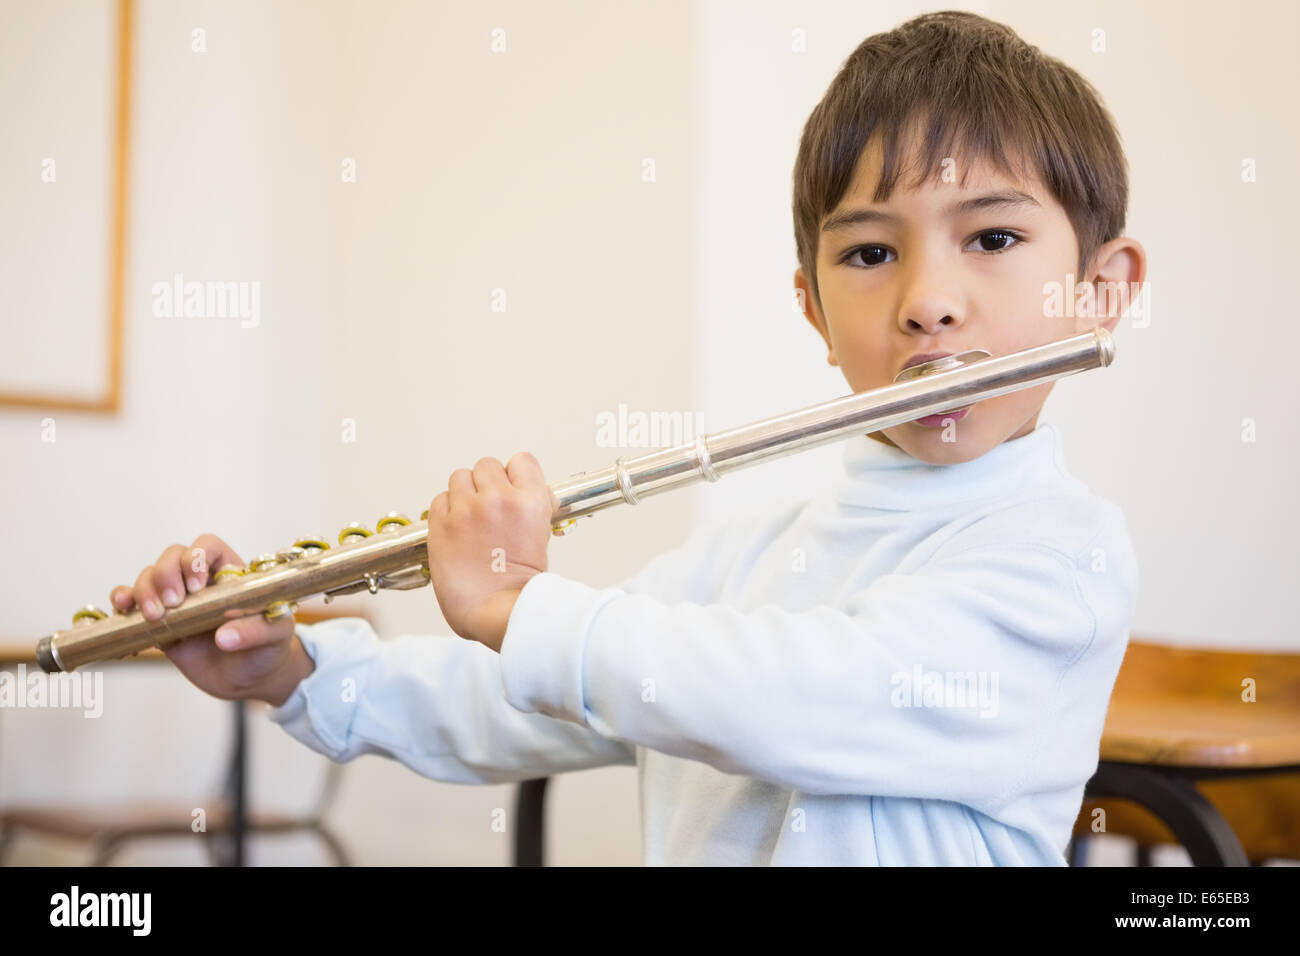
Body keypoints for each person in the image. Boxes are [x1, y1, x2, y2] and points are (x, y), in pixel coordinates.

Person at [111, 11, 1144, 865]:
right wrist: (293, 670)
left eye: (993, 238)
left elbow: (804, 691)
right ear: (816, 313)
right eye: (871, 251)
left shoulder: (1061, 556)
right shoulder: (748, 554)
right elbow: (520, 697)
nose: (927, 301)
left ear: (1101, 293)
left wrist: (523, 605)